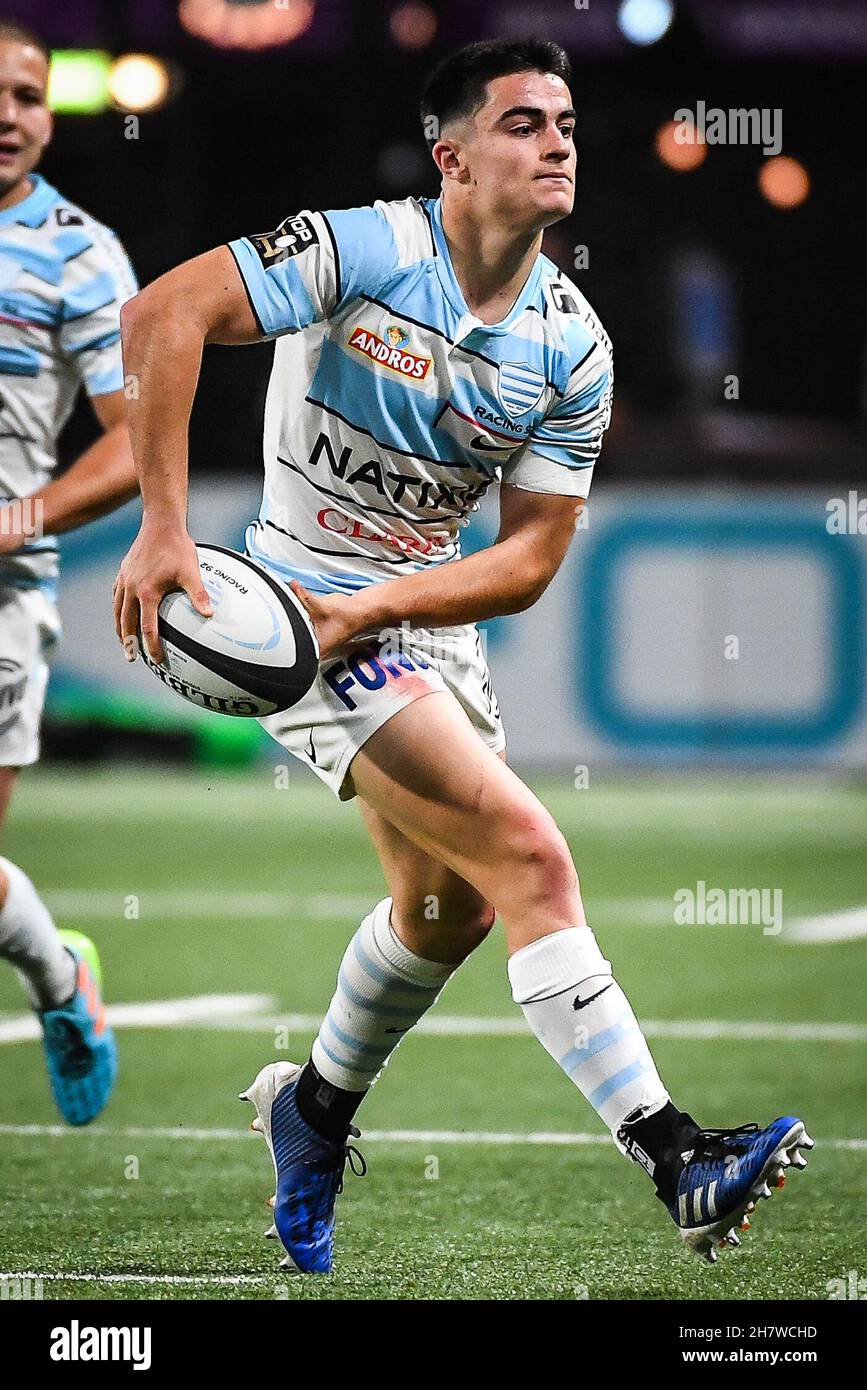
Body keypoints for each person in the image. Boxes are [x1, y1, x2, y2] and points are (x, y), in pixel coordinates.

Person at [114, 38, 811, 1272]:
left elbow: (533, 556)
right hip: (295, 608)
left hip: (405, 624)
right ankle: (677, 1154)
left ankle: (311, 1111)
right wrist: (165, 526)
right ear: (453, 157)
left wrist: (385, 609)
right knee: (533, 851)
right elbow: (166, 312)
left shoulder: (572, 345)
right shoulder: (362, 250)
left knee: (446, 911)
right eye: (527, 123)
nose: (559, 144)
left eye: (569, 124)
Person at [0, 19, 136, 1124]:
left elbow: (135, 442)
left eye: (30, 95)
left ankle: (60, 979)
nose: (12, 113)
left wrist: (18, 519)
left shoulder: (79, 250)